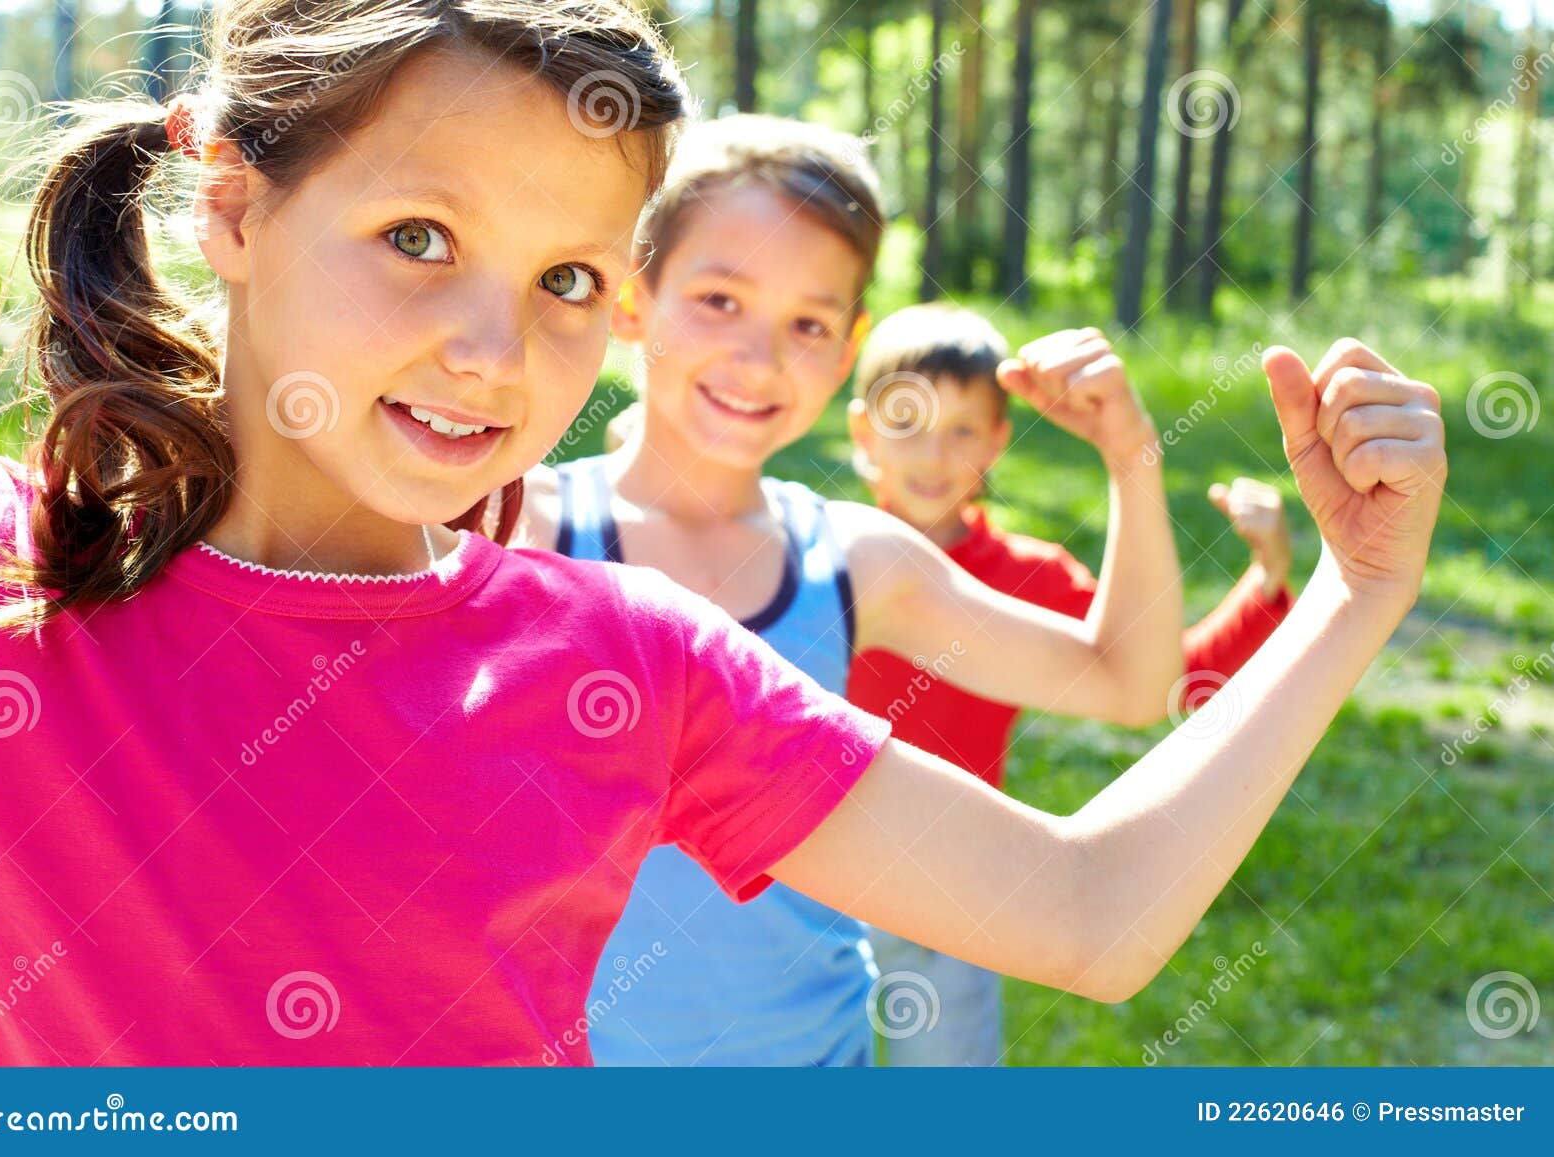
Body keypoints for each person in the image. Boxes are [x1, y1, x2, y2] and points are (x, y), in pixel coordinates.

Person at [514, 114, 1446, 1067]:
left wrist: (1134, 456)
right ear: (633, 298)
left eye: (808, 322)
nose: (760, 356)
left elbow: (1129, 679)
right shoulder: (523, 534)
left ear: (847, 350)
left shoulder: (853, 558)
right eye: (718, 297)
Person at [845, 303, 1297, 1066]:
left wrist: (1266, 579)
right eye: (908, 421)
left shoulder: (1030, 576)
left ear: (996, 442)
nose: (933, 451)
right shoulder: (815, 554)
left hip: (955, 888)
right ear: (862, 434)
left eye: (962, 429)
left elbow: (1163, 678)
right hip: (805, 886)